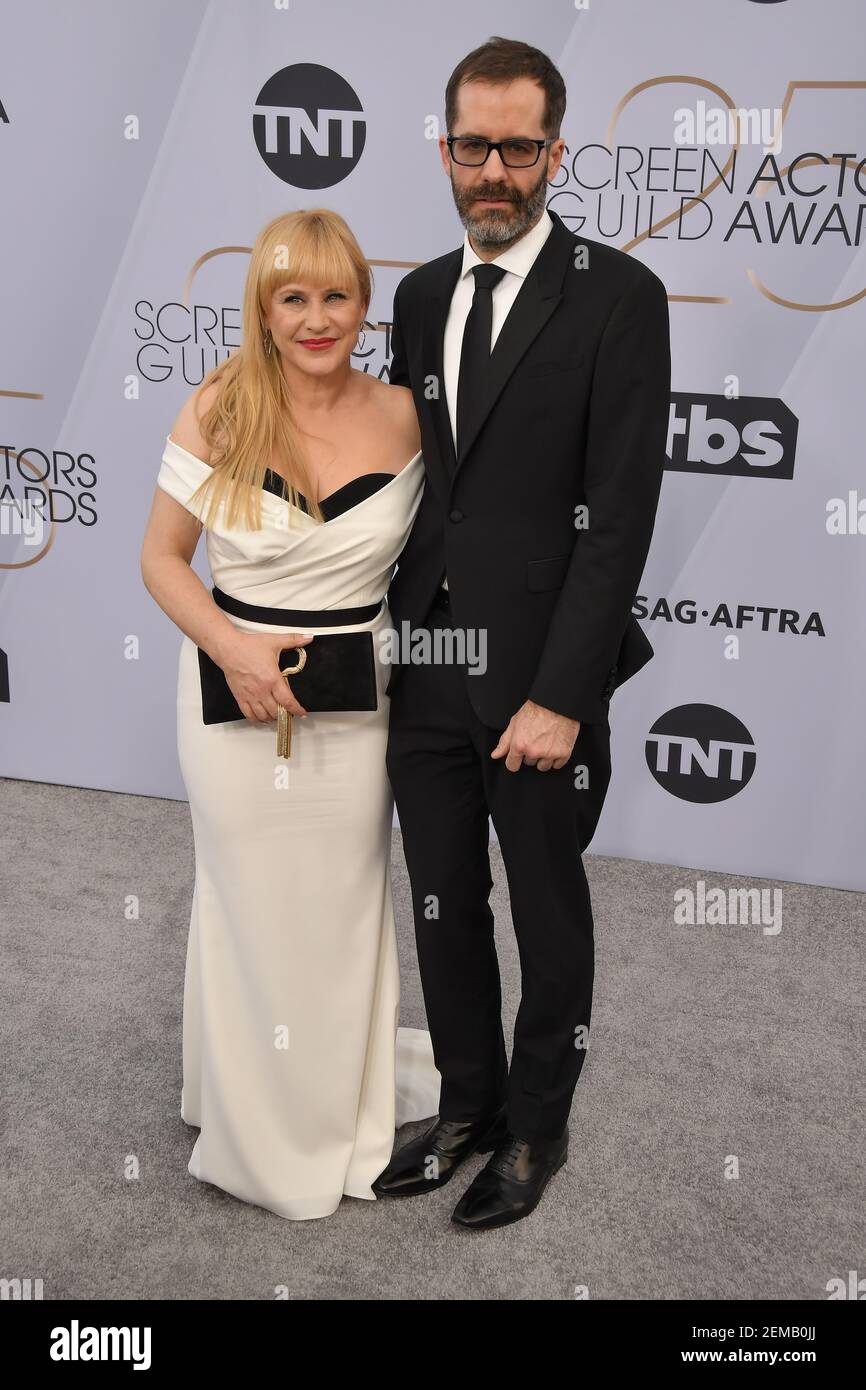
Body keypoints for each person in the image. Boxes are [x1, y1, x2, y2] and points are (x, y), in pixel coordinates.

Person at [375, 37, 671, 1230]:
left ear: (555, 151)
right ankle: (466, 1103)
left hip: (544, 677)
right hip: (430, 658)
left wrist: (564, 692)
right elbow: (424, 487)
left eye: (516, 146)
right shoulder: (414, 295)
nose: (491, 170)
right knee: (440, 895)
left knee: (545, 909)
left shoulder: (617, 296)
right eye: (470, 145)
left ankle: (536, 1129)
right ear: (442, 148)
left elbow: (618, 520)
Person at [140, 208, 440, 1221]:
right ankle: (246, 1112)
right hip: (227, 698)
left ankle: (334, 1109)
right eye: (292, 297)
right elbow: (159, 560)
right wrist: (232, 648)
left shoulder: (404, 415)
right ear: (263, 310)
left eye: (336, 295)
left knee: (341, 902)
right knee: (244, 895)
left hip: (359, 706)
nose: (317, 319)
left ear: (364, 302)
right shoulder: (218, 406)